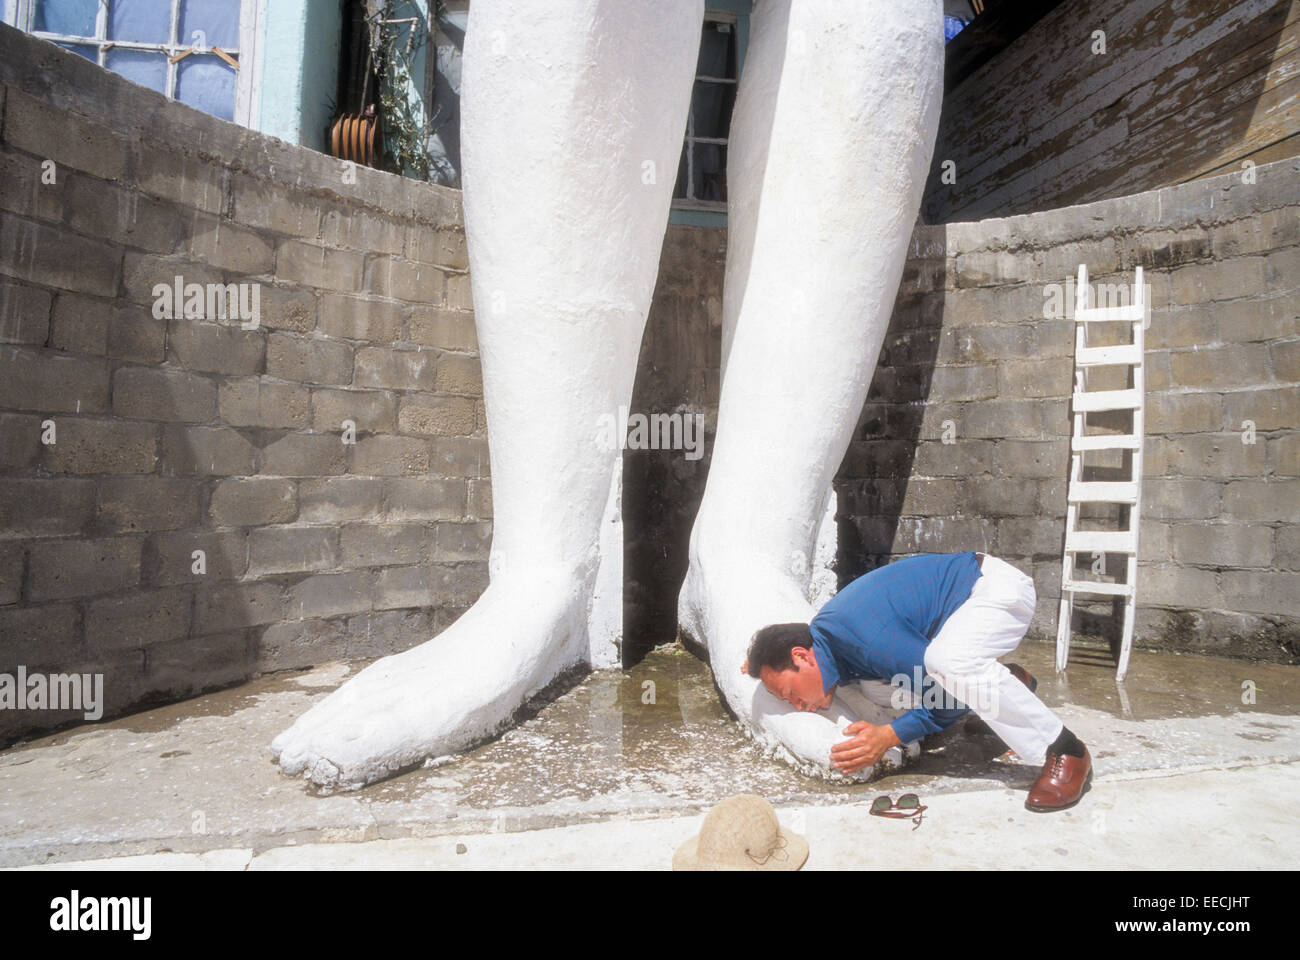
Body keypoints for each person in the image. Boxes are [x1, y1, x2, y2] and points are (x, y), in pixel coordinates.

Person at [742, 551, 1092, 811]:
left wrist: (889, 736)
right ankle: (1010, 683)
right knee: (877, 688)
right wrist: (757, 664)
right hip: (960, 612)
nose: (797, 704)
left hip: (995, 591)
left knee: (948, 665)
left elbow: (947, 699)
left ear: (802, 657)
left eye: (789, 694)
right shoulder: (826, 638)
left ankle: (1066, 749)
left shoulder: (863, 639)